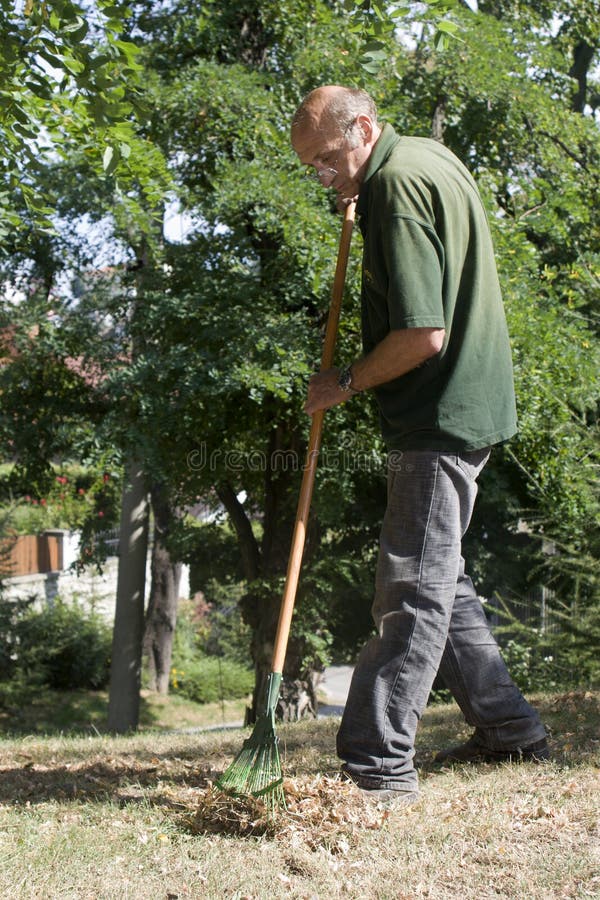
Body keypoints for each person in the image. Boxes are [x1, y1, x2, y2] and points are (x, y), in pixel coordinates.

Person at [290, 85, 549, 806]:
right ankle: (511, 731)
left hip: (439, 413)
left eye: (328, 159)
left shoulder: (396, 190)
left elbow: (422, 334)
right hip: (464, 401)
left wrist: (343, 382)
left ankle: (377, 764)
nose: (324, 177)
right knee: (442, 579)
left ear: (363, 128)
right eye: (312, 167)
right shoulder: (428, 159)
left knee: (411, 586)